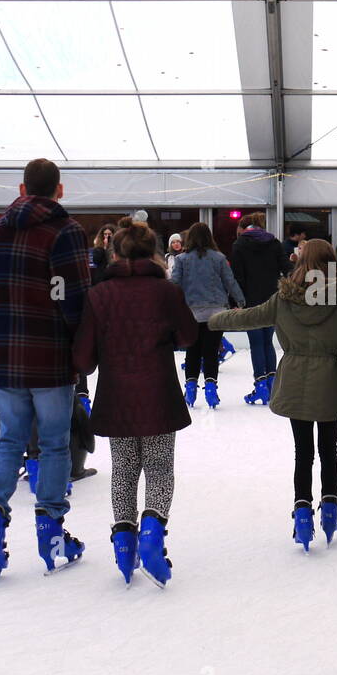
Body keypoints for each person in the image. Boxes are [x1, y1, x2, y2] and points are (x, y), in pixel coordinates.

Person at [0, 158, 91, 577]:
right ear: (60, 190)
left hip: (4, 351)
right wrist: (82, 347)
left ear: (22, 189)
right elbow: (74, 294)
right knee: (55, 443)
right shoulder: (67, 231)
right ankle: (51, 531)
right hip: (50, 352)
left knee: (8, 439)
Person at [73, 218, 197, 587]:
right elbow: (189, 336)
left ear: (115, 251)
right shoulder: (166, 292)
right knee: (159, 467)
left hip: (116, 396)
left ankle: (124, 547)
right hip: (158, 393)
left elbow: (84, 359)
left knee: (124, 471)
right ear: (154, 253)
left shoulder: (99, 294)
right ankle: (153, 532)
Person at [211, 239, 337, 552]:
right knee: (328, 448)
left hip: (293, 379)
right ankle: (330, 507)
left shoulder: (283, 298)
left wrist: (214, 318)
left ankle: (302, 514)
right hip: (328, 377)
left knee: (303, 451)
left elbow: (248, 317)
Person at [168, 221, 244, 409]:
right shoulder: (218, 258)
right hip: (216, 312)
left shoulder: (181, 260)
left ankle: (191, 388)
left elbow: (175, 284)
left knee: (192, 352)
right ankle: (211, 388)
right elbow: (230, 281)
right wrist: (241, 301)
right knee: (210, 353)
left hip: (191, 312)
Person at [229, 211, 289, 405]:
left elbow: (237, 277)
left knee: (256, 343)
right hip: (272, 298)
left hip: (250, 301)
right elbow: (287, 268)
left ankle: (261, 386)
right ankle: (272, 385)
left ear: (244, 228)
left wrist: (237, 302)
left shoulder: (239, 245)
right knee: (267, 342)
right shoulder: (274, 243)